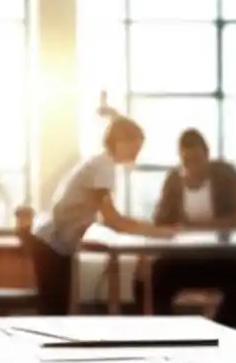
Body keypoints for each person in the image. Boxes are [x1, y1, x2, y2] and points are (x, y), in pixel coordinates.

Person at [28, 114, 175, 316]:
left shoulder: (101, 163)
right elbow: (112, 219)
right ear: (121, 142)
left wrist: (149, 229)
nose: (137, 154)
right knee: (54, 310)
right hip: (50, 242)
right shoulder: (103, 166)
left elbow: (109, 217)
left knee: (56, 309)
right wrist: (156, 232)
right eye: (135, 147)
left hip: (55, 242)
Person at [133, 128, 236, 328]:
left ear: (207, 156)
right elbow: (160, 220)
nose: (192, 166)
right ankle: (167, 336)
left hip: (219, 259)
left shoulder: (227, 175)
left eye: (197, 160)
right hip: (181, 259)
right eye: (186, 161)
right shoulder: (174, 180)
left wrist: (194, 227)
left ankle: (220, 332)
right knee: (145, 282)